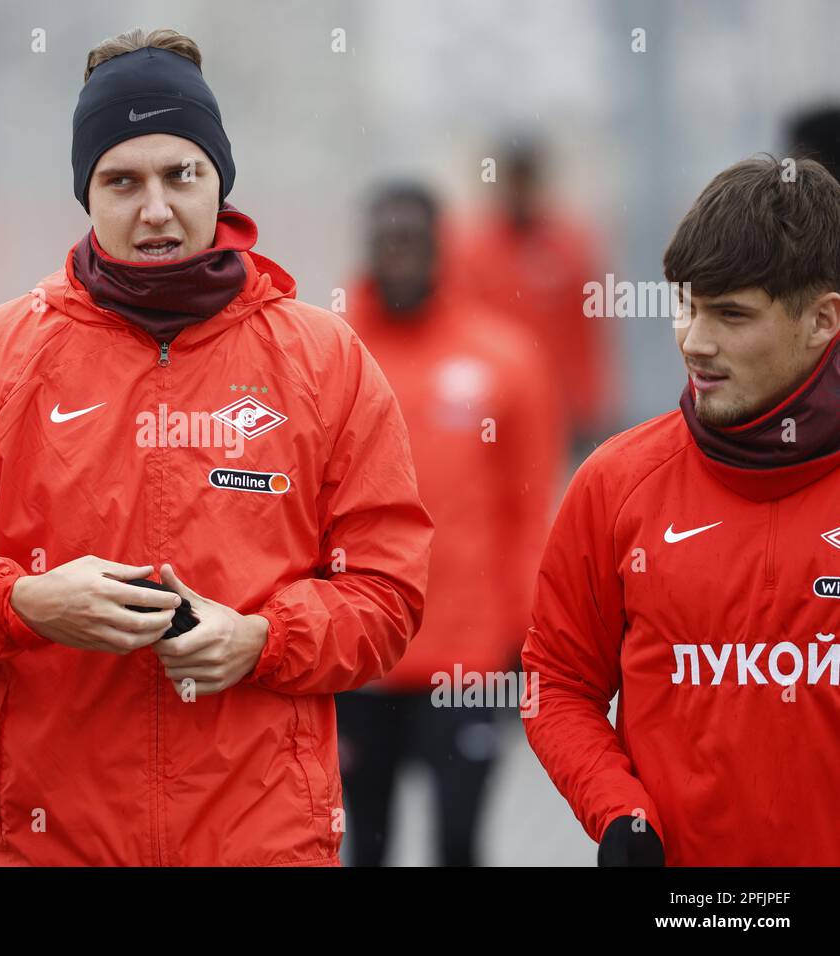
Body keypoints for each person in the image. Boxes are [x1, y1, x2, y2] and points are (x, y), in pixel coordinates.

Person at [0, 28, 433, 866]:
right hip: (48, 845)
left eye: (181, 173)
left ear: (219, 180)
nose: (155, 208)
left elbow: (389, 597)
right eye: (121, 180)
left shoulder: (322, 358)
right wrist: (23, 604)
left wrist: (264, 640)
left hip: (264, 842)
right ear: (86, 194)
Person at [523, 157, 840, 866]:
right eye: (688, 306)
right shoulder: (615, 481)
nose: (694, 340)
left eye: (731, 315)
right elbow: (557, 683)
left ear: (823, 320)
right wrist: (619, 813)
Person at [336, 183, 562, 866]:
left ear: (442, 247)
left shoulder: (505, 358)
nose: (400, 252)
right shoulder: (333, 355)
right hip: (359, 659)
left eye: (414, 237)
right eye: (387, 237)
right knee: (362, 846)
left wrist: (526, 633)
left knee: (460, 842)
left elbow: (530, 510)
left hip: (465, 661)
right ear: (370, 246)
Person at [452, 139, 614, 448]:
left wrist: (591, 405)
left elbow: (588, 335)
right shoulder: (470, 251)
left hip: (560, 409)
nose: (519, 192)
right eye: (512, 180)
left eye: (525, 180)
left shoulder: (570, 248)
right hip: (493, 403)